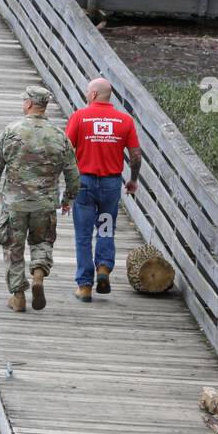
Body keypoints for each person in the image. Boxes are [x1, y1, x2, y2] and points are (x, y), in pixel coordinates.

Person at [0, 85, 79, 312]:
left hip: (15, 204)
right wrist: (69, 197)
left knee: (13, 247)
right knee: (42, 242)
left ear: (29, 104)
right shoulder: (59, 136)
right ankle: (38, 276)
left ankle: (18, 296)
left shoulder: (11, 131)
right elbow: (73, 173)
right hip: (45, 204)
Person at [65, 77, 142, 302]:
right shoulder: (125, 120)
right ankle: (104, 269)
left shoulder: (80, 117)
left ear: (94, 95)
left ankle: (85, 286)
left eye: (88, 91)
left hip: (84, 185)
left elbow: (66, 150)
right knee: (106, 228)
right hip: (110, 186)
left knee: (83, 235)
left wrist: (67, 182)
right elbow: (136, 155)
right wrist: (133, 179)